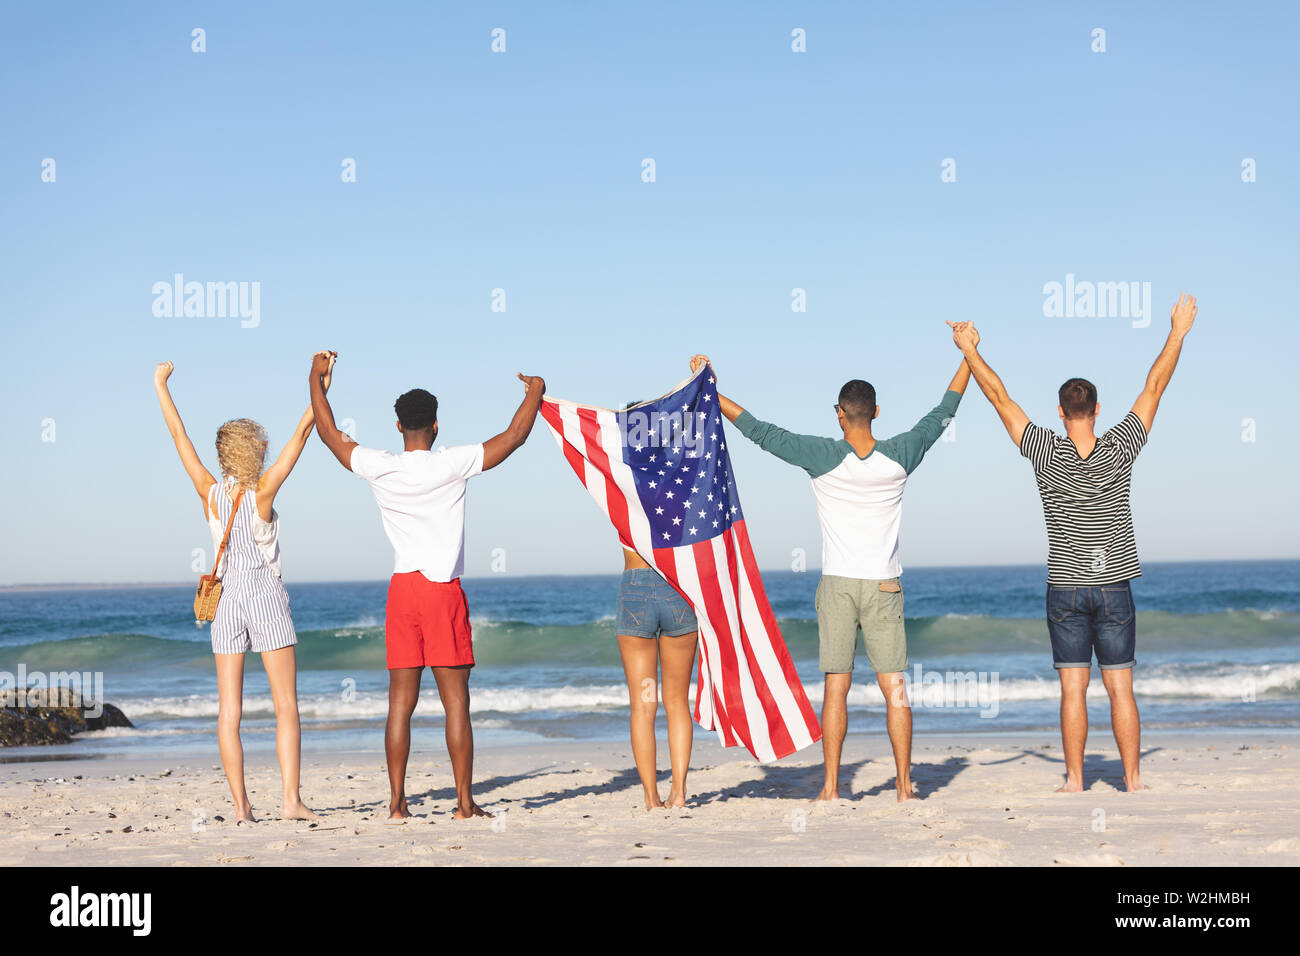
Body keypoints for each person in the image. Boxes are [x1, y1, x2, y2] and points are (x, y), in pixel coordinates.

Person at [689, 353, 971, 802]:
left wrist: (709, 390)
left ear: (840, 414)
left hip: (838, 585)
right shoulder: (900, 455)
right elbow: (943, 413)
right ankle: (902, 788)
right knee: (894, 687)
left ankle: (830, 787)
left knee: (836, 687)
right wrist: (967, 356)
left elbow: (762, 433)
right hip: (884, 586)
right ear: (876, 412)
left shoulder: (821, 456)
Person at [947, 294, 1198, 793]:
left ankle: (1076, 782)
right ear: (1098, 410)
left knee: (1072, 690)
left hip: (1065, 587)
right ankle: (1132, 780)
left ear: (1060, 412)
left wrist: (969, 349)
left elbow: (999, 397)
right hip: (1113, 586)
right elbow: (1155, 385)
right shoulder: (1121, 444)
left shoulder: (1042, 449)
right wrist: (1177, 332)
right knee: (1121, 689)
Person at [308, 351, 545, 820]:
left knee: (400, 703)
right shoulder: (453, 463)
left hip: (403, 592)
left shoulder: (382, 466)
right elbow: (515, 436)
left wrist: (314, 377)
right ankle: (463, 804)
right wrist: (535, 390)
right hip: (442, 591)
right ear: (436, 426)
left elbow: (328, 434)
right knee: (456, 701)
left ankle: (397, 805)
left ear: (399, 427)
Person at [154, 357, 330, 823]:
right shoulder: (265, 490)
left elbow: (178, 436)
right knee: (285, 706)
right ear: (254, 450)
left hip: (227, 600)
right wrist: (319, 386)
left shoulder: (209, 491)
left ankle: (241, 807)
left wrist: (160, 384)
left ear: (222, 454)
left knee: (228, 711)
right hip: (264, 597)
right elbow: (302, 436)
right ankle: (290, 801)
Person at [615, 542, 699, 811]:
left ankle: (651, 797)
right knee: (676, 701)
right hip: (677, 586)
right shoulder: (686, 497)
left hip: (636, 587)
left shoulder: (625, 498)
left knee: (643, 704)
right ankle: (679, 792)